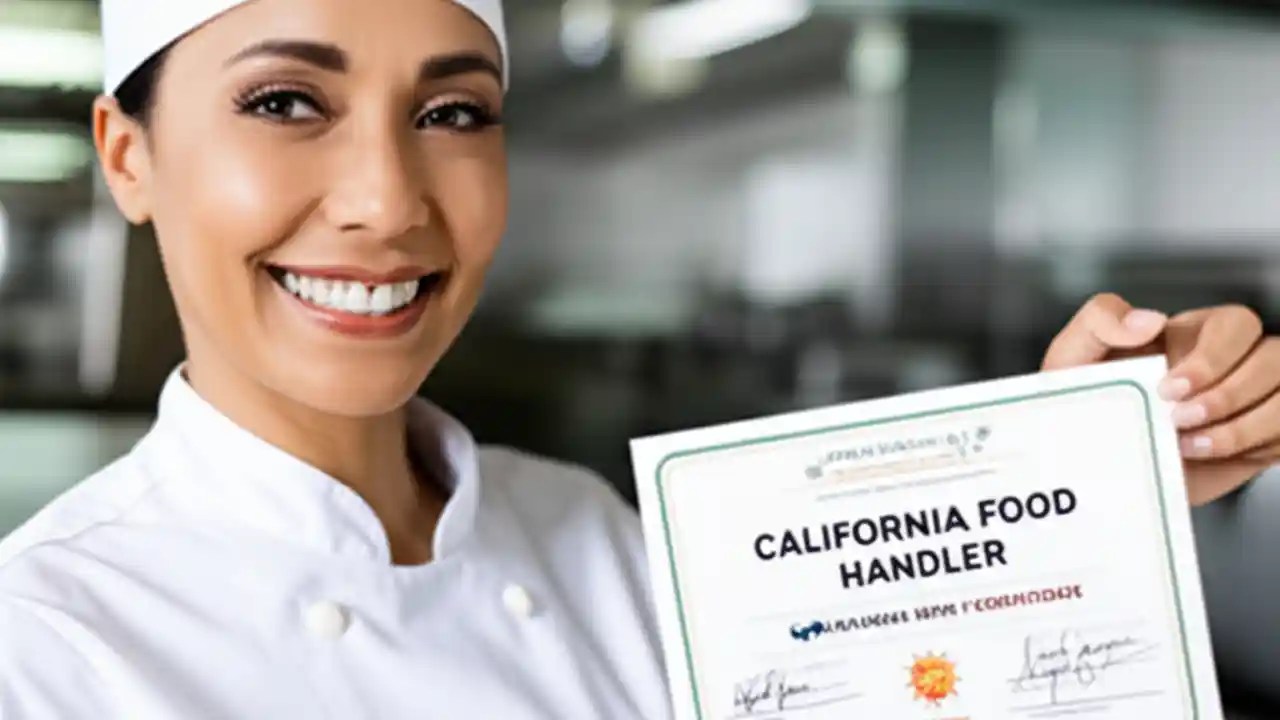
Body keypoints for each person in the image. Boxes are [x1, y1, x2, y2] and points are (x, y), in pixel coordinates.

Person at [0, 0, 1275, 717]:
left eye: (452, 114)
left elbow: (933, 684)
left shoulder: (604, 533)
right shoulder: (47, 648)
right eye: (286, 103)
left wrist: (1084, 479)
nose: (387, 202)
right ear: (129, 156)